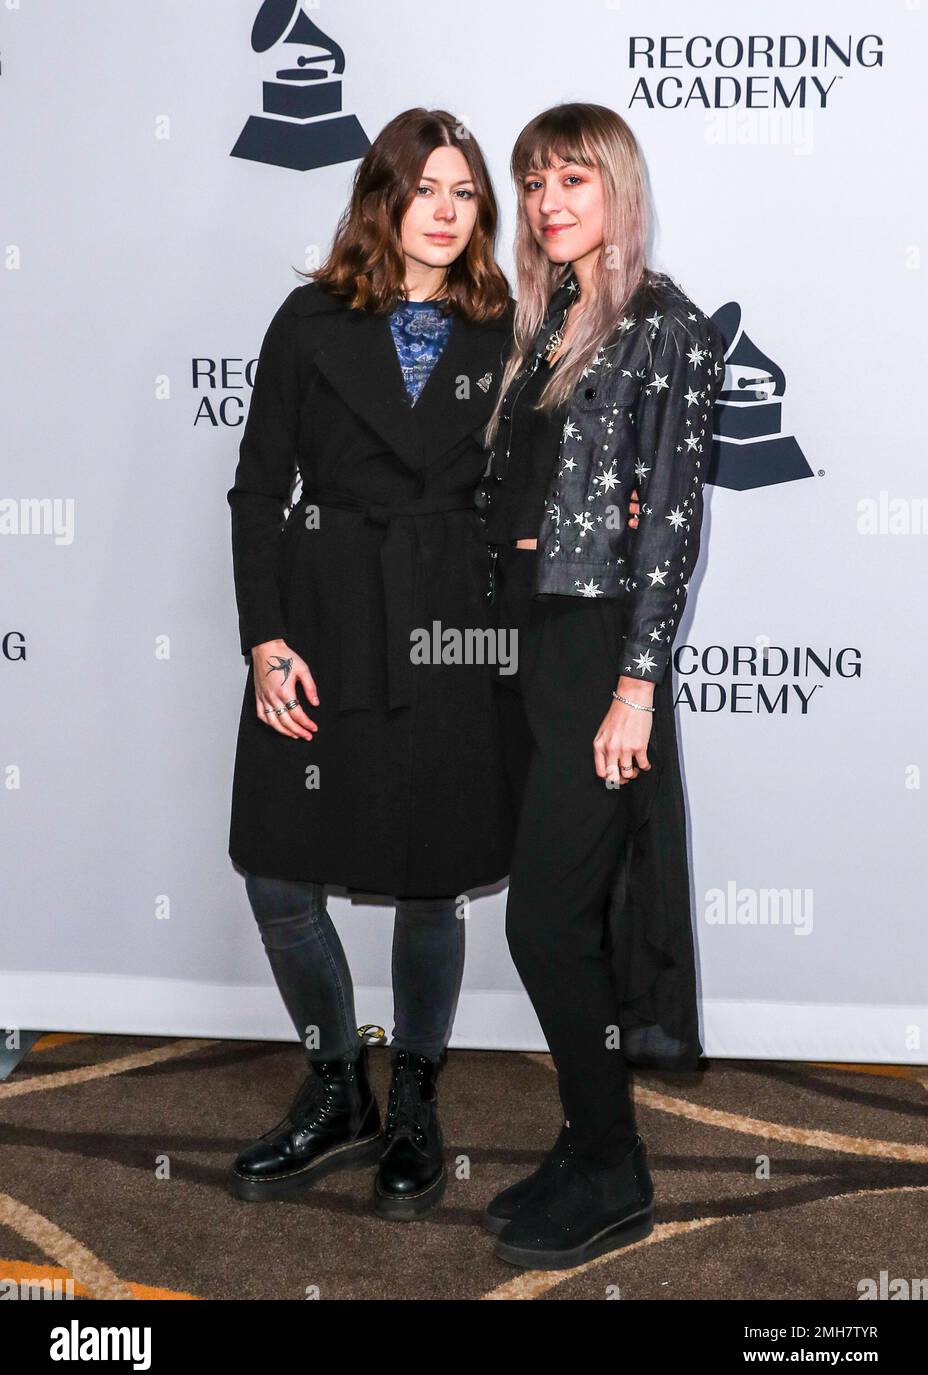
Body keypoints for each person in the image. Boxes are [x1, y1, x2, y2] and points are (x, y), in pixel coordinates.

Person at [224, 108, 521, 1220]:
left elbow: (531, 485)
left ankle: (415, 1102)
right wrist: (263, 637)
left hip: (453, 616)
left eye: (464, 193)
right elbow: (259, 489)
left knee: (433, 875)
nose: (445, 212)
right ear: (382, 200)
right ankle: (338, 1080)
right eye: (425, 189)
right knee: (278, 869)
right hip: (325, 610)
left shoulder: (511, 325)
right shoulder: (307, 322)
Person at [476, 103, 727, 1270]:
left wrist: (636, 686)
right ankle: (586, 1142)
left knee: (543, 919)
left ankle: (615, 1163)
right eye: (532, 181)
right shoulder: (547, 319)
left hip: (592, 655)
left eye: (570, 177)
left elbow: (671, 526)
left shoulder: (665, 328)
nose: (545, 201)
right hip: (524, 643)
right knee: (557, 915)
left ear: (616, 188)